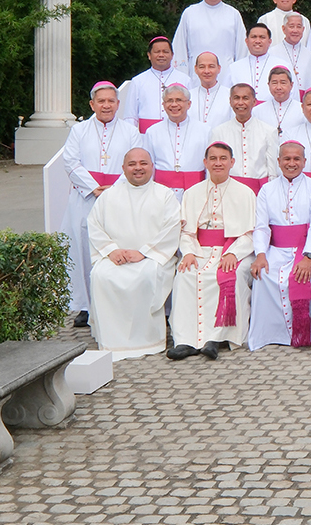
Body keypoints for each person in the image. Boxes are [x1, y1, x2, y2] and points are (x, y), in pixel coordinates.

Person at [85, 148, 180, 359]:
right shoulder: (109, 195)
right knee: (101, 275)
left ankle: (148, 339)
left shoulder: (164, 195)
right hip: (116, 257)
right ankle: (110, 339)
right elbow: (94, 225)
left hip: (151, 258)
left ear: (152, 166)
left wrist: (144, 253)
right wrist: (111, 250)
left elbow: (171, 228)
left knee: (147, 276)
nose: (138, 168)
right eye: (132, 164)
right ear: (123, 168)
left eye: (143, 163)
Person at [62, 82, 144, 326]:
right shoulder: (80, 130)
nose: (106, 105)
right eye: (101, 101)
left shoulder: (130, 131)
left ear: (118, 104)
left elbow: (135, 160)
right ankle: (86, 306)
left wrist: (115, 187)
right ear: (92, 104)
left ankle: (118, 303)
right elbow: (70, 162)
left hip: (118, 196)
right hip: (85, 197)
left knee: (118, 245)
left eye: (111, 101)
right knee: (83, 249)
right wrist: (93, 187)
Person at [169, 142, 257, 360]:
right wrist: (188, 252)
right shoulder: (192, 193)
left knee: (231, 276)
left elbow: (250, 234)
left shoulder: (245, 193)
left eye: (223, 158)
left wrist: (232, 254)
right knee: (186, 275)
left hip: (233, 250)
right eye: (214, 159)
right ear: (205, 162)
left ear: (232, 162)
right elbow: (186, 232)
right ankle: (186, 341)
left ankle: (216, 339)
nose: (218, 163)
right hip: (200, 250)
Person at [249, 141, 311, 351]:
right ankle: (270, 334)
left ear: (304, 161)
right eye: (287, 159)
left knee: (308, 275)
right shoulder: (267, 189)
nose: (291, 163)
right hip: (276, 249)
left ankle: (302, 333)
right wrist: (261, 254)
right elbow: (262, 227)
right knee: (263, 274)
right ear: (278, 162)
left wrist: (308, 256)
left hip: (305, 248)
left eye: (296, 159)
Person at [209, 83, 279, 194]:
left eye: (245, 98)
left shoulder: (269, 131)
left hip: (259, 191)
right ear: (230, 101)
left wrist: (271, 194)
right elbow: (212, 169)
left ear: (254, 102)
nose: (240, 102)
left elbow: (273, 171)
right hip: (227, 190)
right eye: (236, 98)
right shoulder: (219, 131)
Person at [171, 0, 247, 72]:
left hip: (226, 72)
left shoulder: (233, 14)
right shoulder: (190, 13)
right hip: (196, 73)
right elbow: (179, 46)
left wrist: (239, 74)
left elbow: (242, 48)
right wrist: (182, 74)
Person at [145, 84, 209, 199]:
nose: (174, 104)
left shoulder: (205, 130)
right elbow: (149, 166)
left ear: (189, 104)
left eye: (179, 100)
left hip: (195, 192)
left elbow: (208, 167)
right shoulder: (152, 132)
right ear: (163, 105)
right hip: (161, 193)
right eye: (169, 101)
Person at [124, 36, 189, 133]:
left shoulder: (185, 79)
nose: (161, 55)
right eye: (157, 52)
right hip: (146, 133)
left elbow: (190, 110)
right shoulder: (138, 81)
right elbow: (130, 115)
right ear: (149, 55)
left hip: (178, 131)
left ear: (172, 55)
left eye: (165, 52)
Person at [225, 24, 280, 105]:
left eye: (262, 37)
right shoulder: (234, 67)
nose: (257, 41)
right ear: (246, 41)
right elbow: (226, 95)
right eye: (254, 37)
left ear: (269, 42)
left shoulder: (281, 65)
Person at [252, 67, 307, 137]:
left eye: (283, 83)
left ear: (291, 85)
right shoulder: (257, 111)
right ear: (268, 85)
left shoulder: (302, 110)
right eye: (274, 83)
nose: (278, 87)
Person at [276, 13, 311, 95]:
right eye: (291, 26)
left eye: (299, 27)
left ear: (303, 29)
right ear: (283, 29)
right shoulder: (272, 53)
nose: (295, 30)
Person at [190, 52, 232, 131]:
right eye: (202, 67)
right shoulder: (188, 96)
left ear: (219, 69)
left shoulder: (230, 95)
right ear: (196, 69)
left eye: (211, 67)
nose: (206, 71)